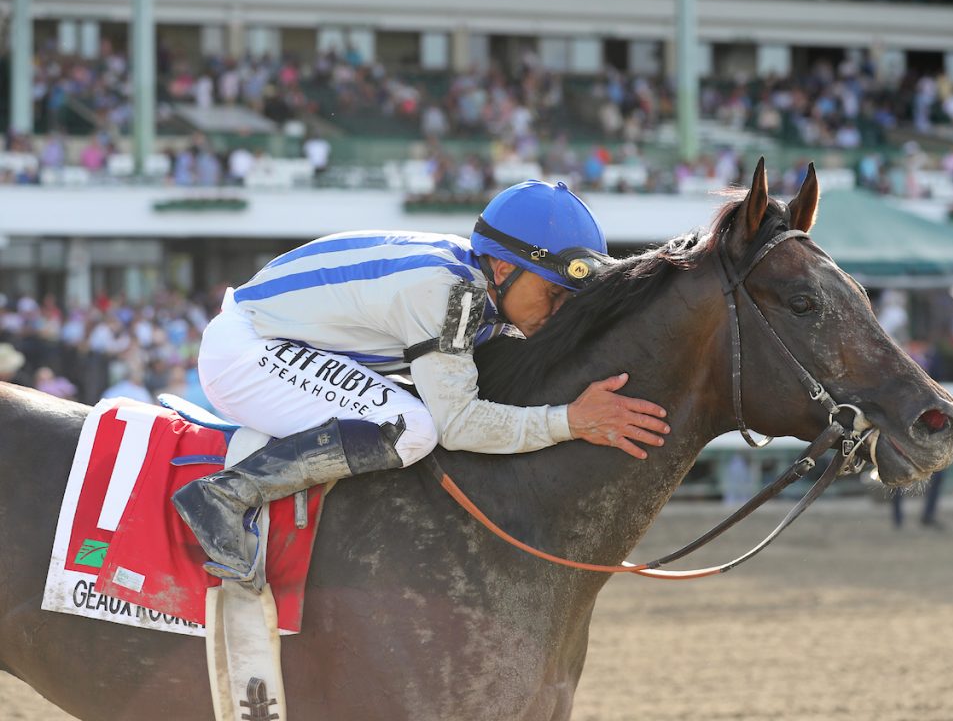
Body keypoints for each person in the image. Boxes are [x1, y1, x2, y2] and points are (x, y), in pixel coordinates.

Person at [172, 180, 671, 585]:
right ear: (502, 267)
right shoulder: (451, 293)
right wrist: (572, 422)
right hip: (247, 352)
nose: (560, 311)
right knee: (411, 427)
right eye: (554, 292)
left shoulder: (478, 286)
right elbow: (457, 424)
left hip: (274, 336)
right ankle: (226, 496)